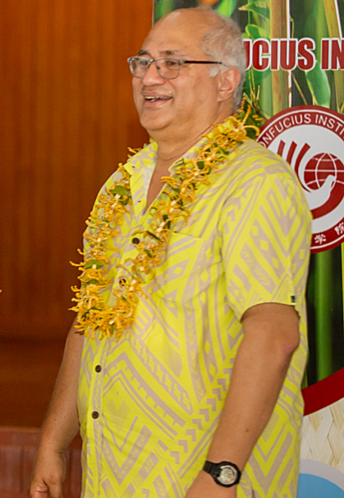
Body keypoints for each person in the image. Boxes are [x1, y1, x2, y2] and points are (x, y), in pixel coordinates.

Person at [30, 8, 310, 498]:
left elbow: (274, 336)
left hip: (205, 478)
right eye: (143, 61)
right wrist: (54, 442)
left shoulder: (256, 184)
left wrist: (221, 473)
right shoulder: (121, 184)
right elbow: (91, 323)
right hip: (113, 474)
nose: (150, 77)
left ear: (226, 82)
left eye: (173, 63)